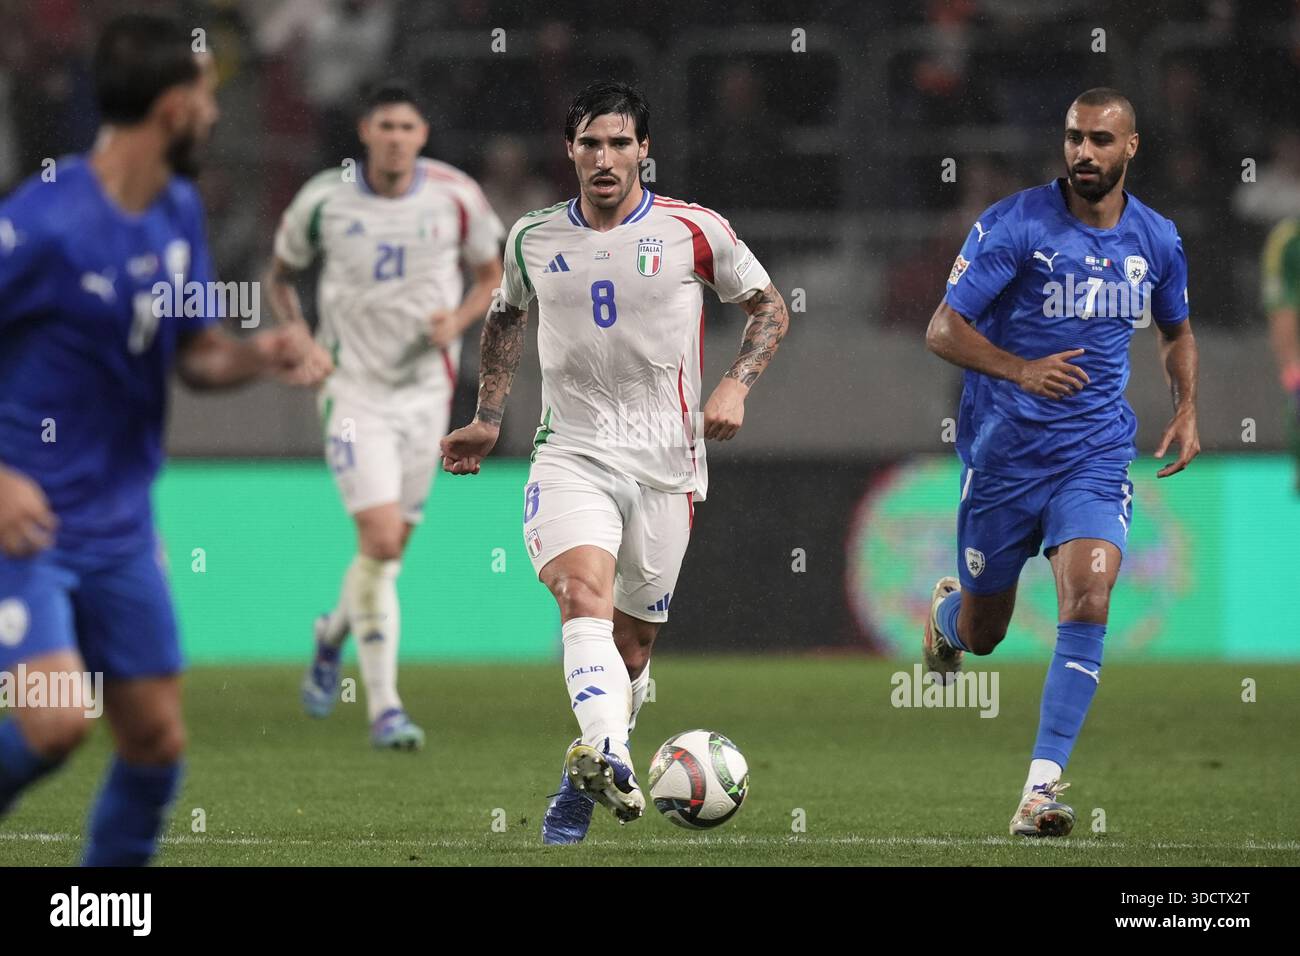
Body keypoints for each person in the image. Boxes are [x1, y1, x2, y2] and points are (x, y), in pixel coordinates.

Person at [0, 14, 330, 865]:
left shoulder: (177, 212)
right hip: (25, 522)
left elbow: (195, 355)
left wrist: (260, 353)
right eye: (205, 96)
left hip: (119, 527)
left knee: (154, 741)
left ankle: (106, 908)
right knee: (54, 720)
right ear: (171, 107)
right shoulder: (43, 221)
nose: (217, 115)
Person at [439, 81, 790, 844]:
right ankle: (607, 756)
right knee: (579, 592)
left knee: (632, 648)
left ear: (644, 151)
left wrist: (734, 383)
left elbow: (769, 305)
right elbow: (505, 316)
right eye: (590, 143)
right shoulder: (532, 236)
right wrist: (487, 417)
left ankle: (588, 771)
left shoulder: (694, 231)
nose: (605, 157)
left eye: (620, 143)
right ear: (570, 150)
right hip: (573, 454)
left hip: (668, 466)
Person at [922, 88, 1200, 837]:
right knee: (986, 633)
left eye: (1101, 141)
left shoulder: (1158, 239)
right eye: (1075, 138)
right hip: (1004, 455)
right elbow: (943, 329)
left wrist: (1186, 408)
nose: (1084, 153)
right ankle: (949, 615)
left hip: (1095, 453)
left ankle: (1039, 792)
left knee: (1090, 601)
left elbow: (1176, 330)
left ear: (1129, 148)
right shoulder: (1013, 226)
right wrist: (1020, 370)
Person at [267, 81, 505, 750]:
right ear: (366, 132)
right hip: (352, 393)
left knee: (388, 550)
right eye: (385, 125)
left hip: (427, 394)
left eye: (408, 125)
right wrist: (304, 343)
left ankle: (329, 636)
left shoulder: (456, 197)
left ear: (422, 134)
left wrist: (457, 319)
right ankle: (385, 708)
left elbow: (492, 276)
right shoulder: (323, 200)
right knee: (378, 542)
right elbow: (279, 277)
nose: (396, 136)